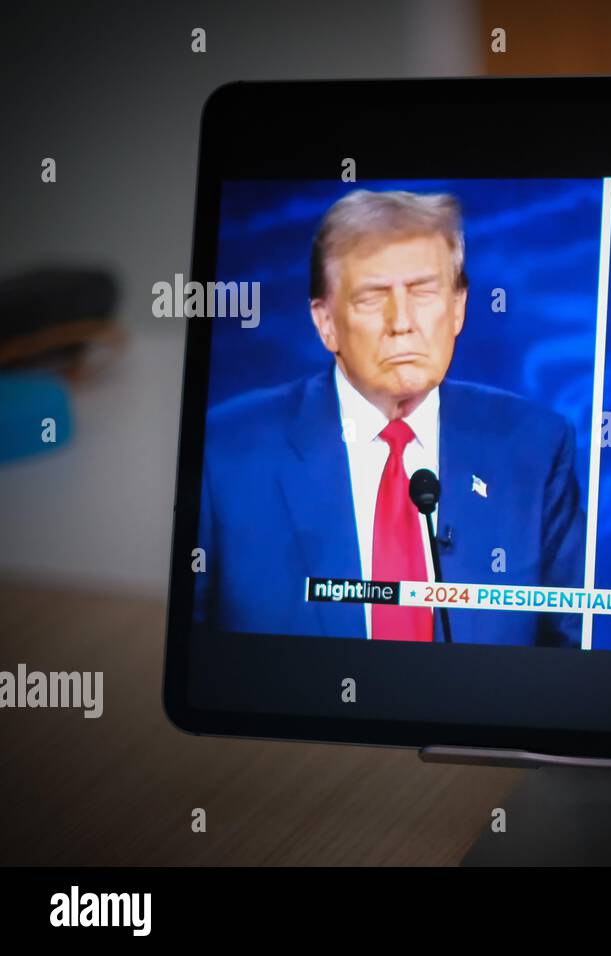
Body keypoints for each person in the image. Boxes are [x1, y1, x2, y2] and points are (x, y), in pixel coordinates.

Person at [196, 190, 585, 646]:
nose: (402, 322)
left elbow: (564, 650)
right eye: (371, 297)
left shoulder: (534, 446)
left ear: (458, 308)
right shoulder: (228, 451)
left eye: (423, 292)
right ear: (326, 323)